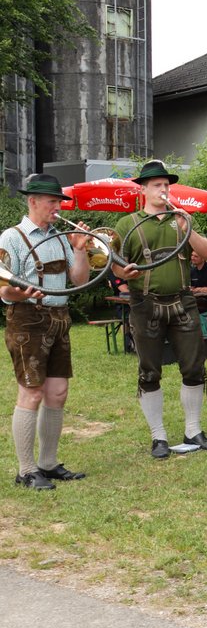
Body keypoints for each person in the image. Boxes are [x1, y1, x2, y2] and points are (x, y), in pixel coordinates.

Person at [112, 160, 207, 459]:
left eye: (166, 185)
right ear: (143, 189)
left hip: (183, 302)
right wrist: (126, 274)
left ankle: (193, 430)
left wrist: (189, 228)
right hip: (145, 304)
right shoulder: (128, 224)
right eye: (157, 185)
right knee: (149, 371)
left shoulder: (181, 219)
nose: (163, 189)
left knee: (195, 366)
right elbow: (115, 267)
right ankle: (158, 437)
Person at [1, 174, 91, 490]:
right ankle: (26, 470)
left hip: (59, 318)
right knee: (32, 391)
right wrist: (22, 293)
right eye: (52, 202)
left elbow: (79, 280)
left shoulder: (59, 236)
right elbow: (3, 290)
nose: (57, 207)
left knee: (57, 393)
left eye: (59, 202)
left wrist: (80, 250)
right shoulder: (10, 238)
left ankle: (48, 464)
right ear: (33, 201)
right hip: (27, 321)